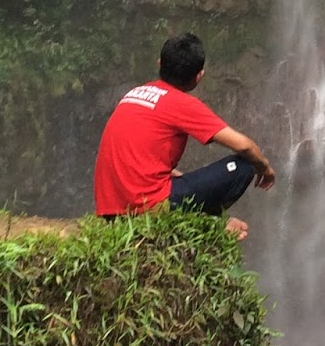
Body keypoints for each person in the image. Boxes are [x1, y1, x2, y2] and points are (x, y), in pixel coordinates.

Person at [93, 32, 275, 240]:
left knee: (179, 178)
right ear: (199, 76)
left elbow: (136, 154)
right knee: (244, 166)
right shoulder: (182, 104)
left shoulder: (136, 93)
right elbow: (245, 147)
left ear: (160, 63)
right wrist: (265, 168)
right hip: (145, 209)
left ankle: (210, 220)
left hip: (111, 211)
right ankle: (208, 225)